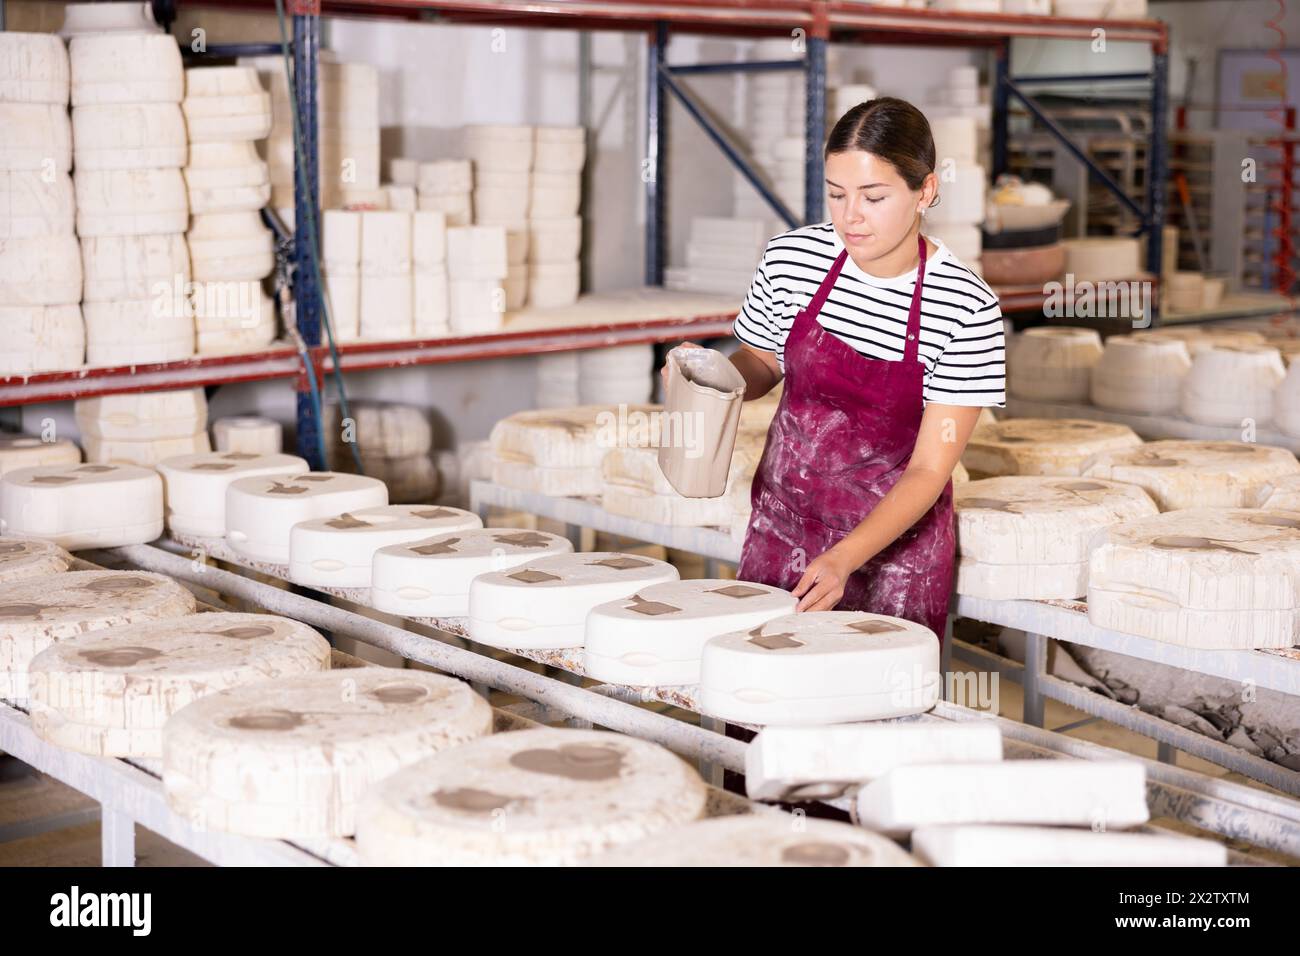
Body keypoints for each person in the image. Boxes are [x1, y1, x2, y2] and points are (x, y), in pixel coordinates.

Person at [669, 96, 1006, 640]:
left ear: (926, 191)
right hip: (784, 524)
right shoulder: (792, 259)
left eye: (874, 197)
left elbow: (928, 470)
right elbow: (760, 359)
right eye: (836, 194)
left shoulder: (965, 306)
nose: (850, 216)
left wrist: (845, 557)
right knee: (759, 696)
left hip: (896, 555)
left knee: (870, 709)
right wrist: (710, 377)